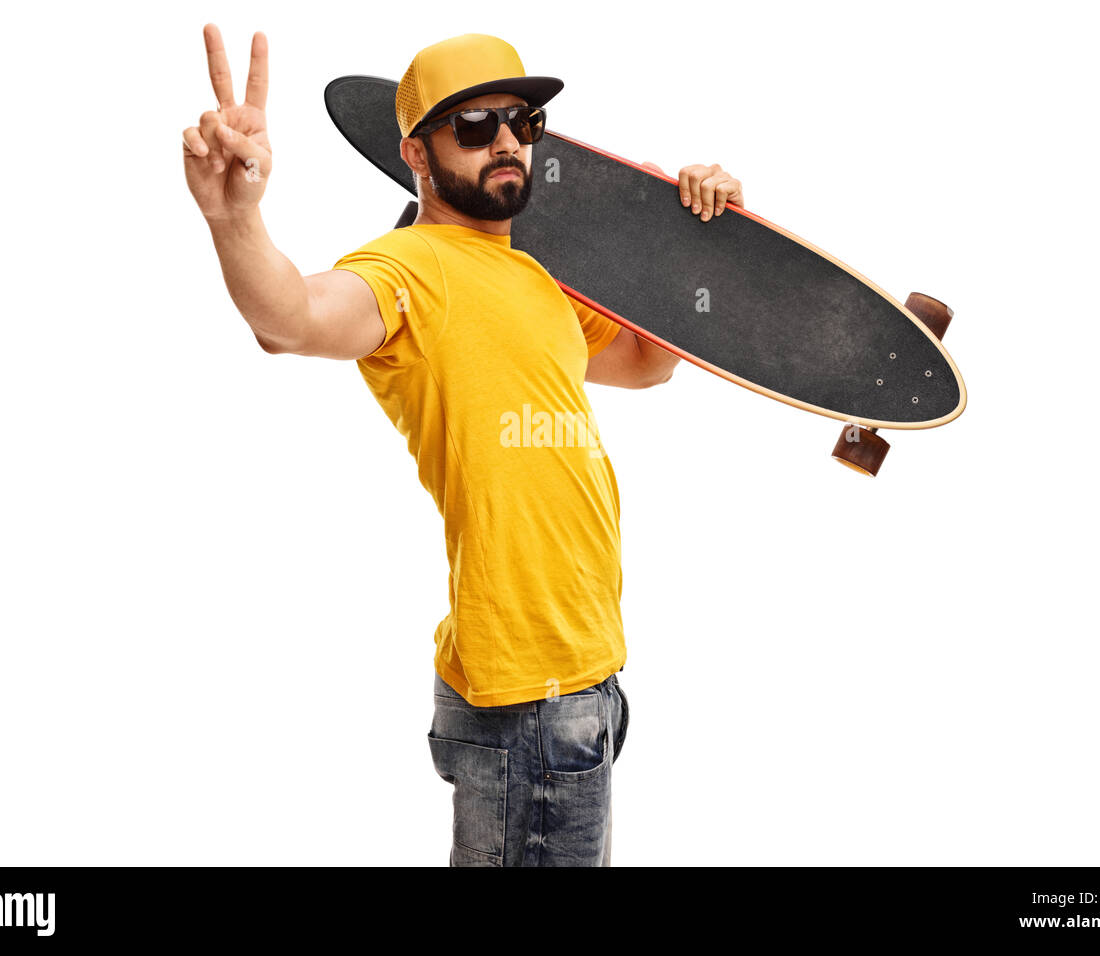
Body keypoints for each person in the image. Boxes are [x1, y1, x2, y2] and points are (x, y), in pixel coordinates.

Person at [183, 27, 745, 866]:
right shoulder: (407, 269)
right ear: (415, 150)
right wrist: (235, 217)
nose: (507, 143)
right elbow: (293, 315)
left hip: (587, 670)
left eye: (522, 123)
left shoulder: (537, 278)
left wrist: (680, 242)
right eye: (474, 127)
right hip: (526, 693)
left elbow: (644, 363)